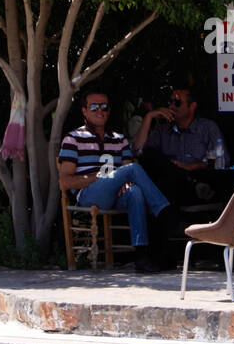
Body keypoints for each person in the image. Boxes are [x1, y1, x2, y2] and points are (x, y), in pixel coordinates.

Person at [59, 86, 172, 273]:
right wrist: (99, 177)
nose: (100, 111)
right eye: (94, 107)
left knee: (135, 191)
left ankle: (141, 256)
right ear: (84, 111)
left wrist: (126, 182)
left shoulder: (119, 139)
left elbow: (128, 172)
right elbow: (65, 182)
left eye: (104, 106)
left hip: (116, 193)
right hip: (89, 194)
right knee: (133, 168)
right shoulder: (73, 139)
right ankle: (164, 212)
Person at [132, 85, 227, 204]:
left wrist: (189, 166)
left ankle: (191, 183)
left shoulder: (207, 128)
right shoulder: (163, 130)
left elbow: (222, 160)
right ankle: (192, 184)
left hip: (200, 180)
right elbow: (138, 151)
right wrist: (149, 116)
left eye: (177, 103)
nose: (171, 106)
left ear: (192, 106)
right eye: (170, 102)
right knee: (153, 158)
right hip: (172, 185)